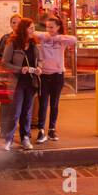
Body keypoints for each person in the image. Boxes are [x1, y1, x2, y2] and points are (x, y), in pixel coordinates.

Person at [31, 15, 76, 144]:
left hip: (57, 74)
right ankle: (41, 130)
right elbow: (32, 32)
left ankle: (52, 129)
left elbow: (74, 39)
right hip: (44, 75)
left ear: (58, 27)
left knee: (54, 104)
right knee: (43, 103)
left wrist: (57, 37)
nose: (49, 29)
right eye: (47, 27)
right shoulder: (44, 36)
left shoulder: (62, 39)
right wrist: (46, 35)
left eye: (51, 27)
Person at [1, 17, 41, 151]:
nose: (33, 31)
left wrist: (39, 68)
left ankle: (25, 137)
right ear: (24, 29)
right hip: (17, 82)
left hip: (31, 82)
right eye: (31, 28)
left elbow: (39, 60)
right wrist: (20, 69)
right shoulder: (12, 43)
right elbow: (5, 63)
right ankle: (9, 139)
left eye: (34, 28)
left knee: (27, 112)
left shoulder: (34, 44)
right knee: (15, 112)